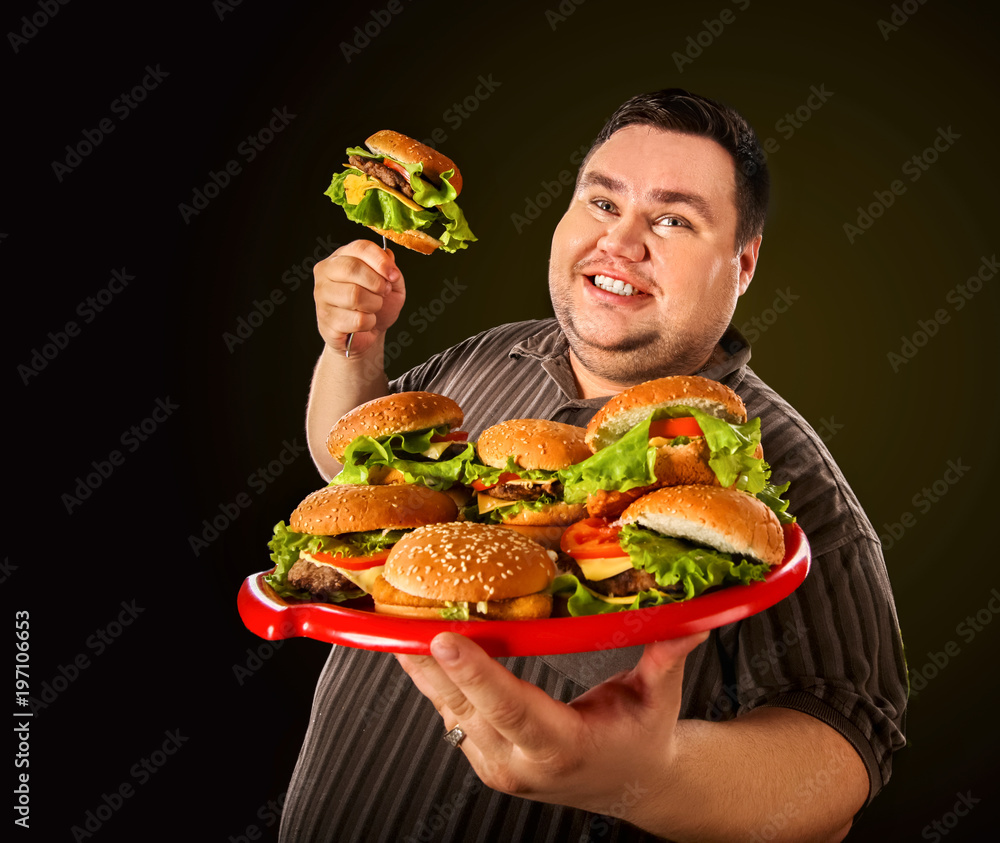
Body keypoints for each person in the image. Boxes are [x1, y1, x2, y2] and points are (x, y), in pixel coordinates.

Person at [281, 89, 907, 842]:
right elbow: (346, 470)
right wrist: (355, 346)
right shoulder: (483, 357)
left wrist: (651, 780)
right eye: (602, 203)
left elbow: (848, 747)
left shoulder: (780, 473)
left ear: (743, 263)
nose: (622, 241)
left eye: (673, 219)